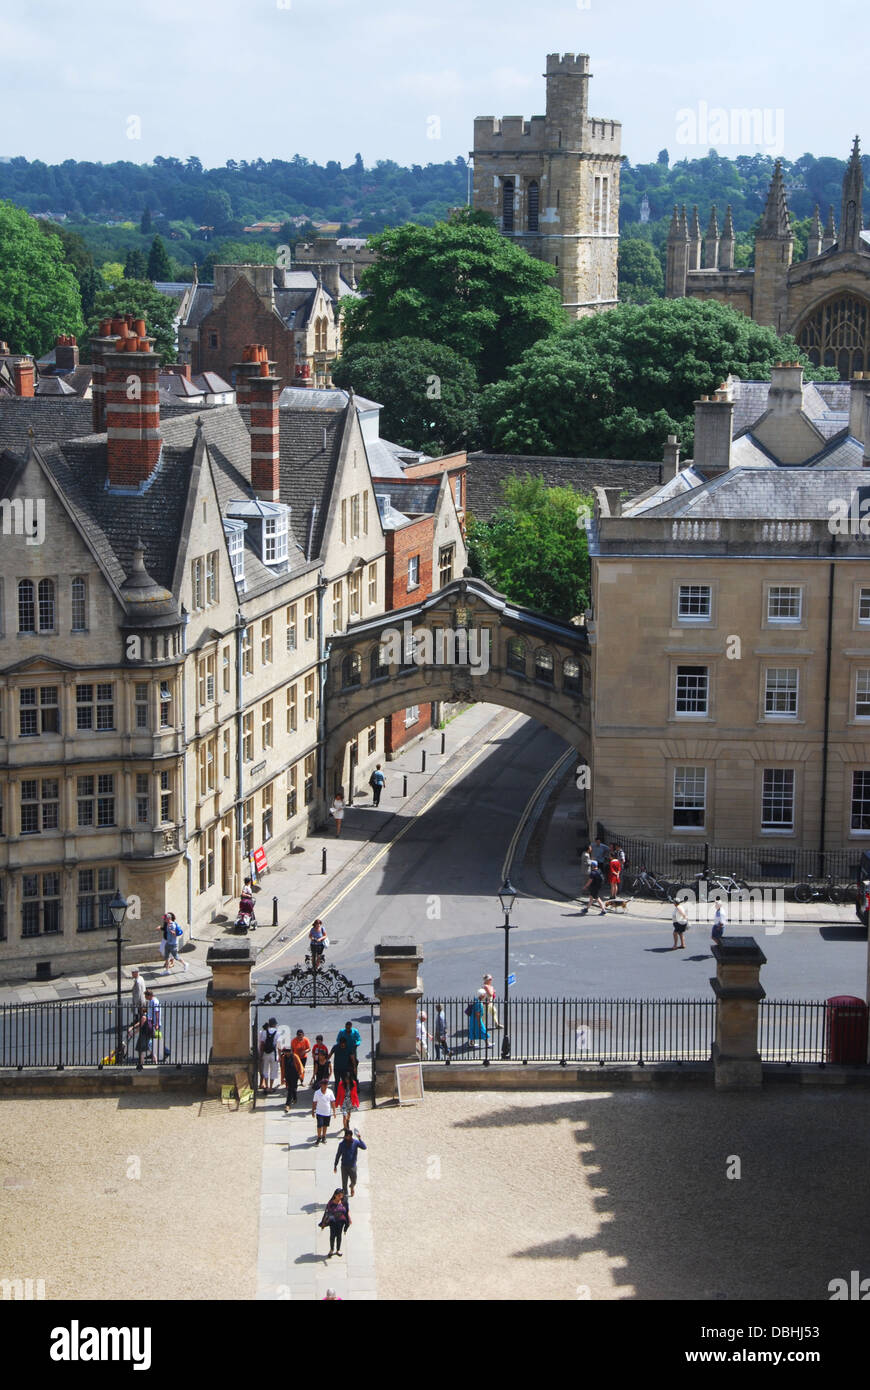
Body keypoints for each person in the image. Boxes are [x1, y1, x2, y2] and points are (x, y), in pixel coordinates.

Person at [334, 1129, 367, 1197]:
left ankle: (352, 1187)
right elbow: (338, 1155)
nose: (347, 1137)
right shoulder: (342, 1144)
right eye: (346, 1136)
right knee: (344, 1183)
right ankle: (345, 1196)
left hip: (352, 1166)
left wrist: (359, 1138)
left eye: (349, 1136)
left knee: (354, 1181)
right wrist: (335, 1165)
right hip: (344, 1166)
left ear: (351, 1136)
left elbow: (364, 1147)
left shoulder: (355, 1142)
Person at [319, 1189, 351, 1258]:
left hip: (341, 1222)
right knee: (332, 1236)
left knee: (339, 1235)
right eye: (338, 1195)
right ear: (335, 1195)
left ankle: (338, 1249)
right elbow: (326, 1213)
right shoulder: (330, 1203)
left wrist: (348, 1220)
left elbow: (347, 1212)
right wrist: (324, 1222)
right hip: (333, 1222)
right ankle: (331, 1249)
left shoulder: (344, 1203)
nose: (340, 1197)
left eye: (341, 1195)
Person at [259, 1016, 281, 1093]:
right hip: (273, 1054)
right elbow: (279, 1046)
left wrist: (261, 1054)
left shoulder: (265, 1032)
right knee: (273, 1070)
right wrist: (279, 1055)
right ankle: (271, 1087)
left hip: (265, 1053)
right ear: (275, 1024)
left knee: (265, 1070)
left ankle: (267, 1086)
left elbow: (262, 1044)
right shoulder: (278, 1033)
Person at [312, 1079, 337, 1144]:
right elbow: (314, 1102)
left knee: (325, 1125)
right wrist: (313, 1111)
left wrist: (334, 1111)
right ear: (321, 1085)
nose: (325, 1086)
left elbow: (332, 1101)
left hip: (327, 1112)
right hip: (319, 1112)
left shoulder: (330, 1092)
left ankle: (324, 1136)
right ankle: (319, 1137)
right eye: (324, 1085)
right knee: (319, 1125)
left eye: (326, 1085)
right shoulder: (317, 1092)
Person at [282, 1036, 304, 1111]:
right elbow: (283, 1068)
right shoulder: (283, 1058)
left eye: (289, 1051)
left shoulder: (295, 1056)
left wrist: (301, 1074)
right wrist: (282, 1078)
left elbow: (300, 1066)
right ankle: (294, 1098)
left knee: (291, 1089)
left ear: (291, 1051)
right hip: (288, 1075)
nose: (287, 1053)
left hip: (295, 1075)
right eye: (286, 1051)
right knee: (292, 1089)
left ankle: (287, 1104)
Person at [335, 1068, 360, 1134]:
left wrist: (356, 1102)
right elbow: (339, 1094)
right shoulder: (341, 1084)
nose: (347, 1080)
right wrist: (337, 1103)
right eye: (346, 1079)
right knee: (344, 1115)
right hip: (343, 1101)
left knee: (349, 1114)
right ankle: (346, 1129)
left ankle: (347, 1122)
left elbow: (355, 1093)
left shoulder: (353, 1083)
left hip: (350, 1101)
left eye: (348, 1079)